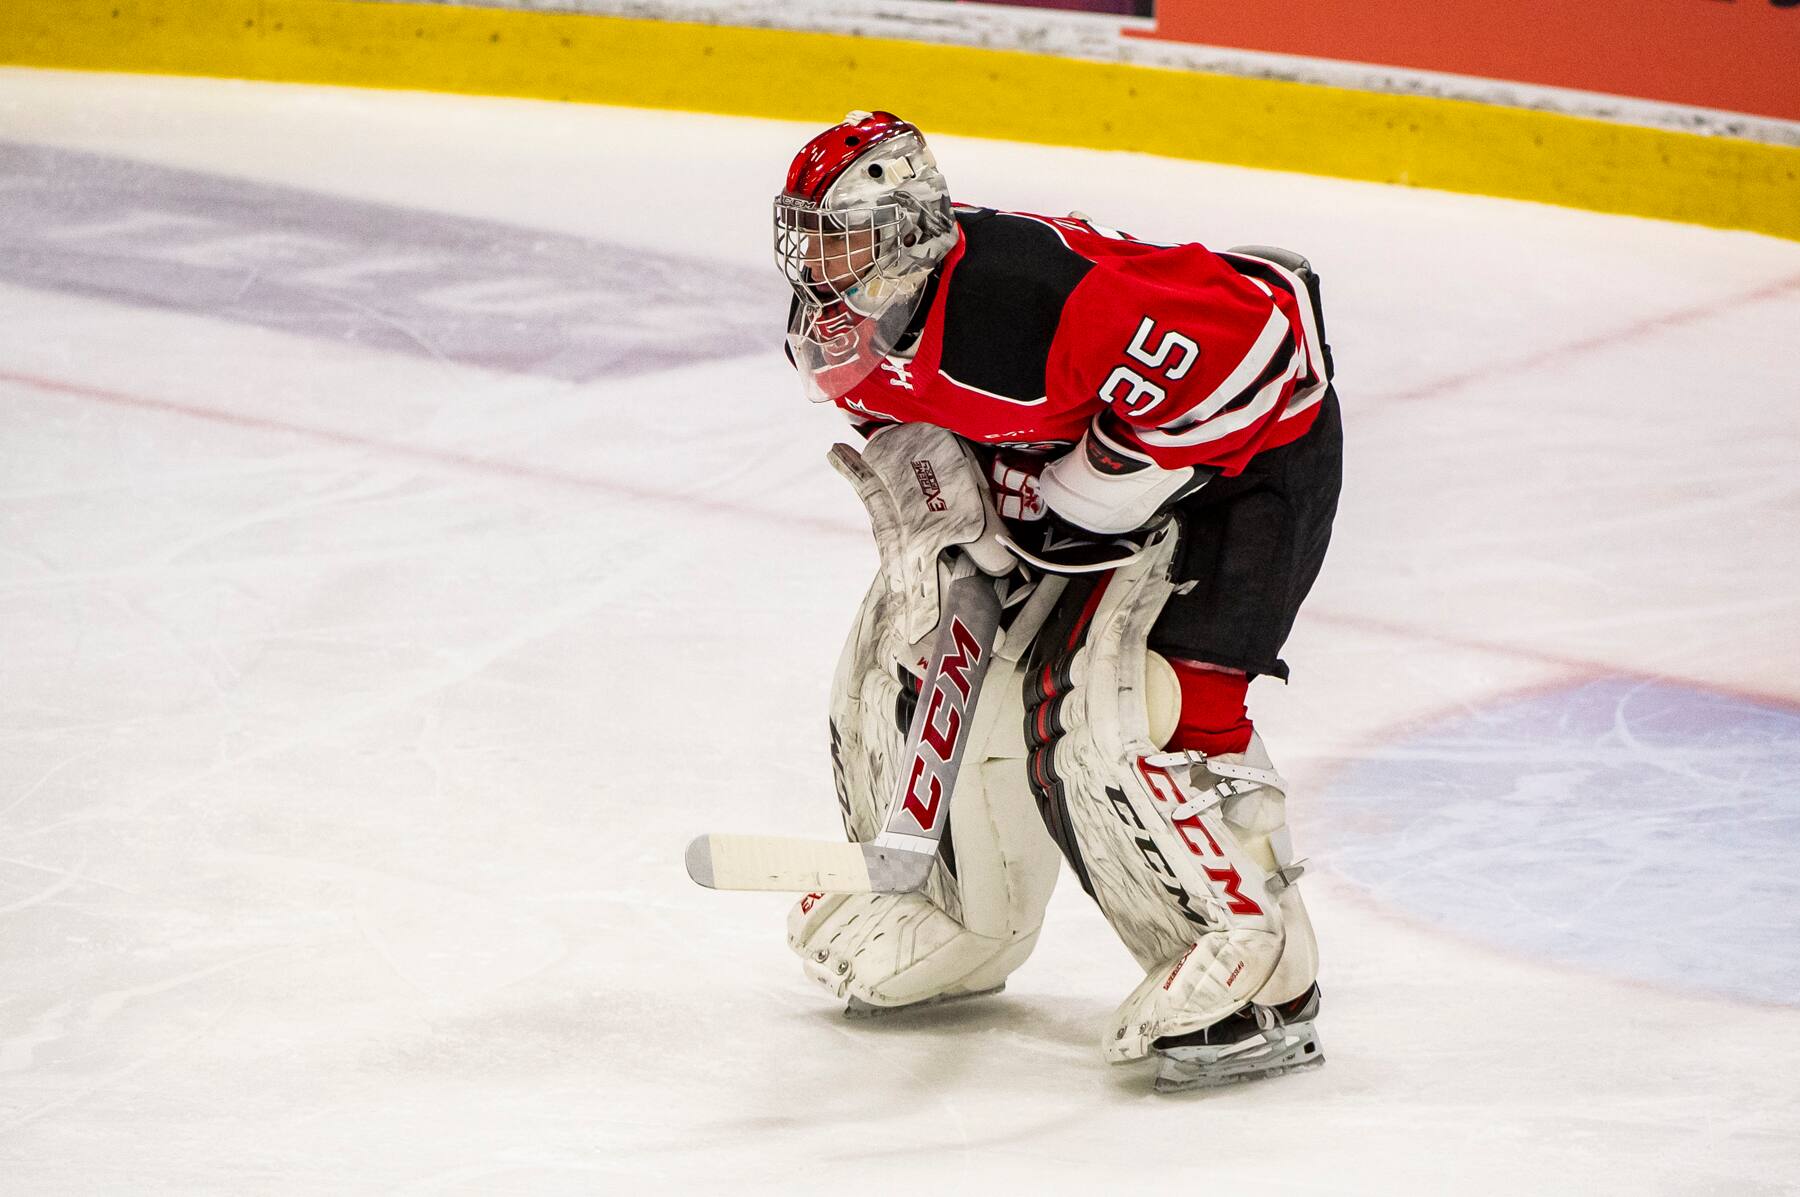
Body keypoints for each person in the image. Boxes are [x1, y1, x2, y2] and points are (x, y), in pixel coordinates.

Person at [775, 111, 1341, 1091]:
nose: (820, 266)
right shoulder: (834, 338)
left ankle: (1261, 971)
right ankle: (961, 916)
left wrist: (1093, 484)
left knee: (1118, 709)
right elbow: (919, 425)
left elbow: (1265, 351)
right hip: (1078, 486)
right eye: (807, 236)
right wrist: (960, 505)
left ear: (910, 232)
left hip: (1246, 461)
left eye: (846, 238)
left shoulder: (1027, 300)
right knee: (904, 664)